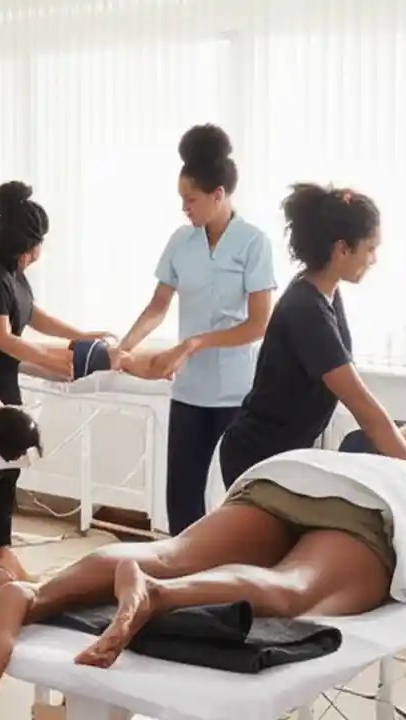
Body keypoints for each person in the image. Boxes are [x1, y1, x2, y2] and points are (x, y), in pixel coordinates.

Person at [0, 451, 406, 708]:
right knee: (296, 588)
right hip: (371, 514)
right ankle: (159, 596)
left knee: (172, 551)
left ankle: (31, 594)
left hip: (287, 474)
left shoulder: (398, 463)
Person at [0, 181, 113, 579]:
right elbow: (2, 337)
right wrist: (57, 359)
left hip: (3, 378)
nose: (40, 250)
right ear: (25, 242)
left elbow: (34, 315)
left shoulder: (13, 273)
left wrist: (79, 337)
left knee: (9, 464)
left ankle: (1, 551)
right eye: (39, 241)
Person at [117, 125, 277, 535]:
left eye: (190, 200)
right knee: (182, 496)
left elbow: (258, 324)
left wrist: (195, 342)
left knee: (244, 495)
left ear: (218, 195)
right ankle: (182, 571)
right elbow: (158, 306)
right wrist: (123, 348)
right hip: (189, 390)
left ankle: (238, 573)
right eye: (182, 199)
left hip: (237, 392)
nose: (184, 208)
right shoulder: (180, 242)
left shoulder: (253, 243)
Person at [217, 184, 406, 488]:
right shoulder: (306, 309)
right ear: (342, 249)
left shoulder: (326, 294)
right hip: (256, 457)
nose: (373, 259)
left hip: (285, 455)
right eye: (370, 248)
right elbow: (363, 407)